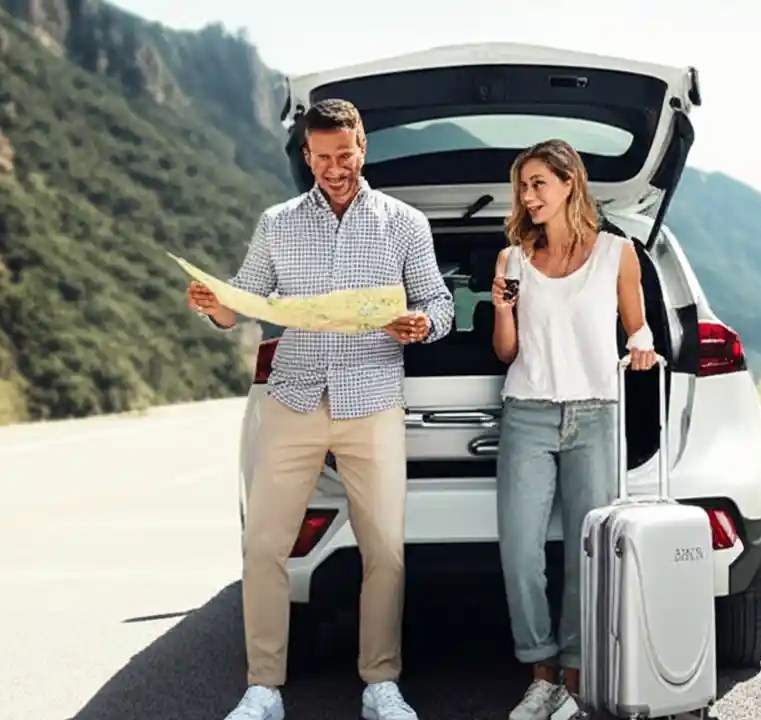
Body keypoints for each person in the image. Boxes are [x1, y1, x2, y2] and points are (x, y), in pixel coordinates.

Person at [187, 98, 455, 720]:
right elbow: (242, 302)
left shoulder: (404, 224)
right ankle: (263, 688)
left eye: (345, 155)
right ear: (306, 156)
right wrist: (214, 307)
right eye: (322, 157)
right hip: (294, 398)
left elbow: (439, 303)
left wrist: (422, 324)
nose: (334, 168)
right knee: (263, 546)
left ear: (363, 148)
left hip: (372, 399)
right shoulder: (277, 224)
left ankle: (380, 684)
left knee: (384, 550)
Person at [489, 139, 658, 720]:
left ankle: (578, 678)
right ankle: (542, 675)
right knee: (520, 551)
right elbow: (506, 352)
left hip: (595, 414)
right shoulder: (512, 260)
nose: (528, 196)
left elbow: (637, 328)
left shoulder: (618, 254)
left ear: (569, 184)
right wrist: (502, 309)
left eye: (538, 183)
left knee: (589, 554)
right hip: (528, 414)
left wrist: (642, 346)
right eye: (522, 187)